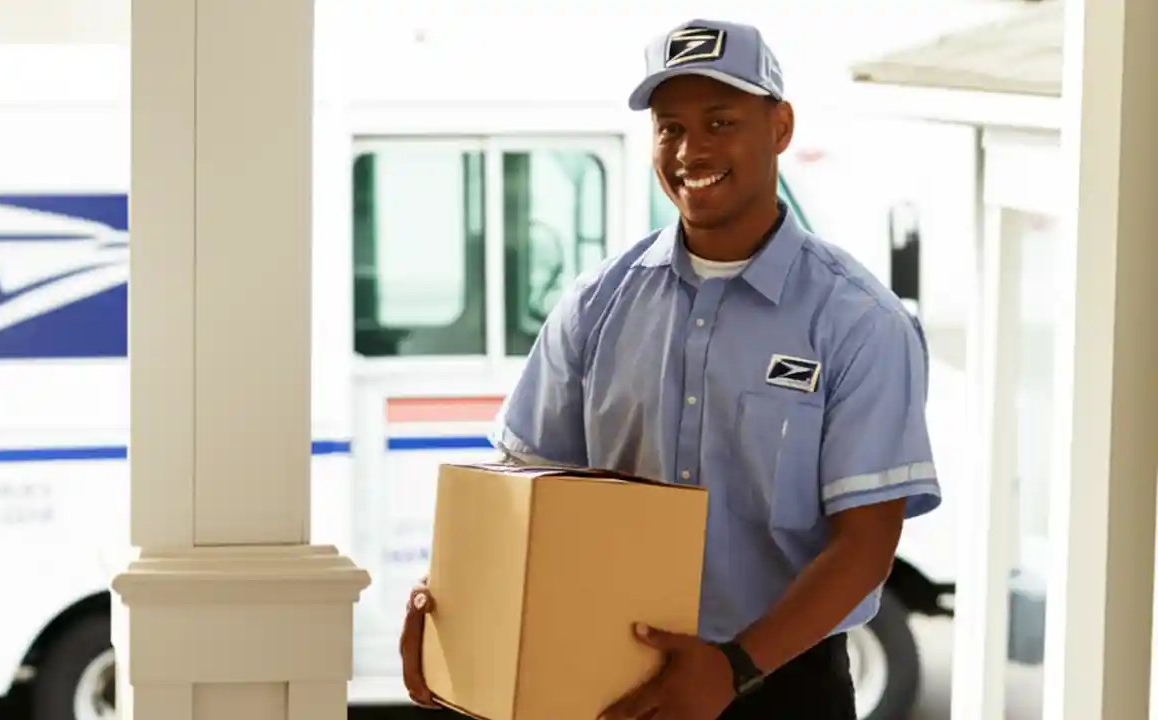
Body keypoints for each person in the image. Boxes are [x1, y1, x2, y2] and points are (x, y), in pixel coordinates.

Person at [400, 17, 941, 720]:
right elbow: (518, 494)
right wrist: (450, 610)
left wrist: (733, 668)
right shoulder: (598, 305)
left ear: (780, 127)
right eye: (671, 126)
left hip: (782, 685)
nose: (692, 150)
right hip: (604, 682)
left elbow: (866, 547)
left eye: (721, 121)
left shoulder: (858, 321)